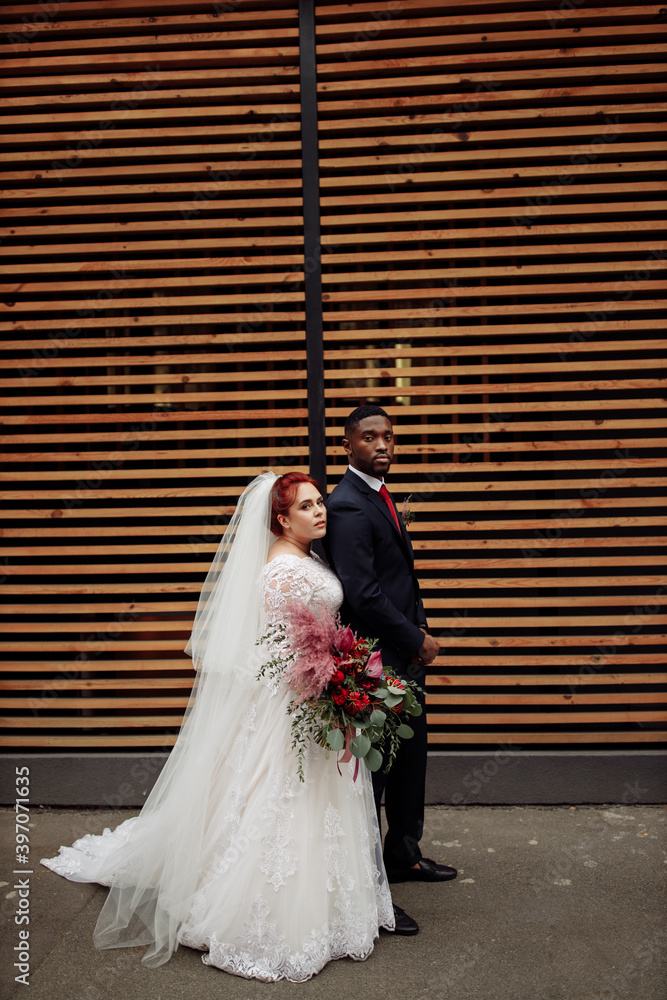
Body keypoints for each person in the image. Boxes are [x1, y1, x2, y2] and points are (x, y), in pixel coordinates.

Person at [41, 470, 396, 982]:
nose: (320, 511)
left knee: (308, 795)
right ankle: (261, 911)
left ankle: (329, 901)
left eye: (320, 502)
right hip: (295, 697)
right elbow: (287, 642)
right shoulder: (283, 571)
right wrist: (333, 680)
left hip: (313, 690)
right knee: (276, 795)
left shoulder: (306, 556)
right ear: (281, 518)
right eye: (307, 506)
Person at [324, 405, 458, 935]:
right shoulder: (350, 506)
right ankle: (371, 889)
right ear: (348, 445)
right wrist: (416, 637)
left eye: (388, 436)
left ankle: (403, 853)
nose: (382, 445)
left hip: (402, 655)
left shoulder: (378, 494)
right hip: (379, 658)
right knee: (373, 777)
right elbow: (363, 594)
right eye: (369, 437)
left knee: (410, 761)